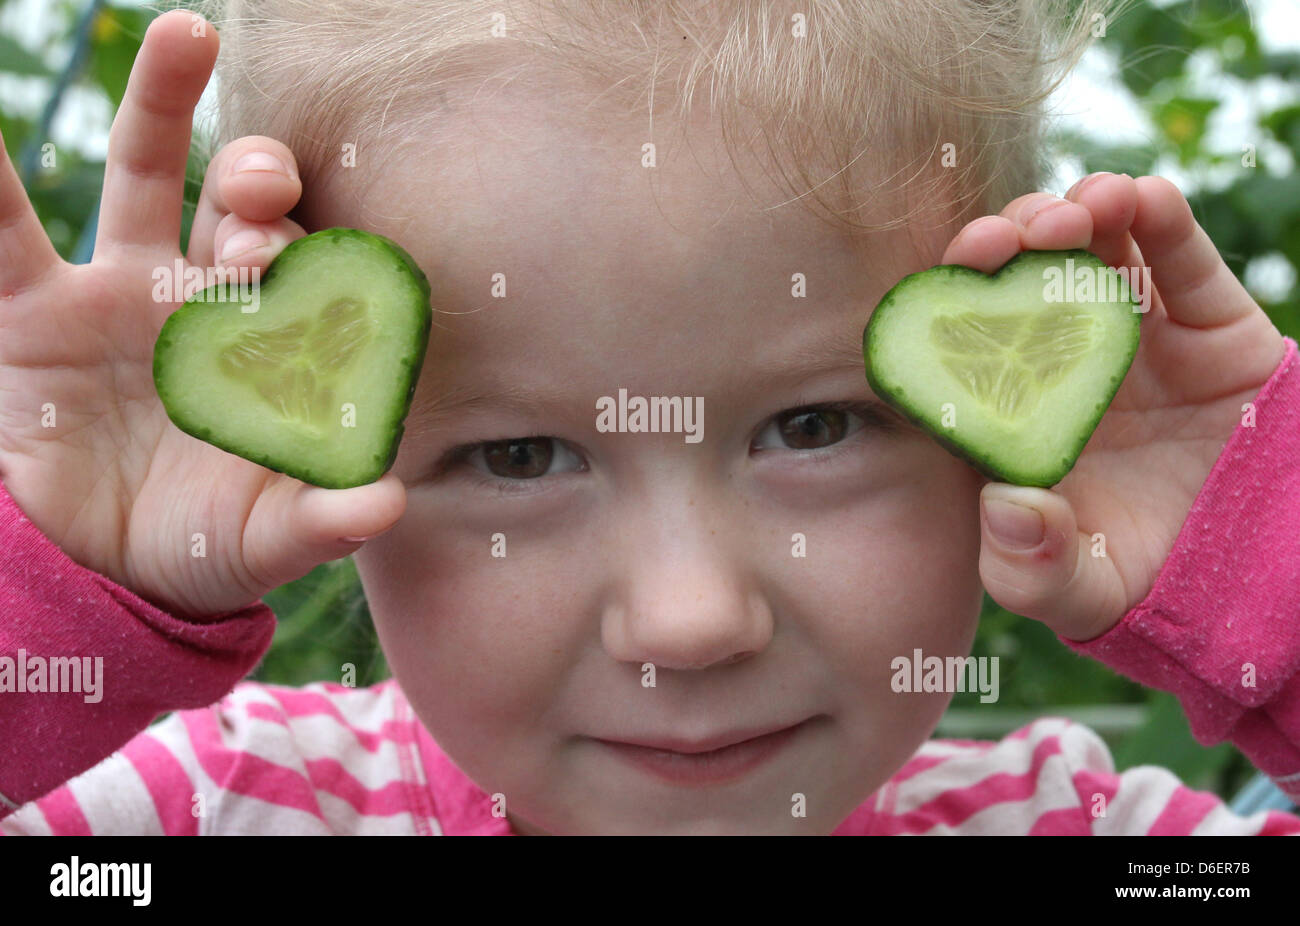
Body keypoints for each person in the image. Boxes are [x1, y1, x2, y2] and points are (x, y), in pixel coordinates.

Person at [1, 1, 1296, 835]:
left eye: (815, 426)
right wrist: (59, 594)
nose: (691, 618)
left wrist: (1266, 564)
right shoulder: (210, 815)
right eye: (517, 453)